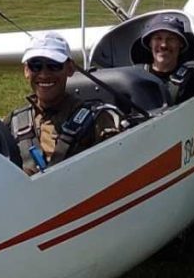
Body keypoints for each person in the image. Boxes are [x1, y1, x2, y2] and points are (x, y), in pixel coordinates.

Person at [7, 33, 123, 175]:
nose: (44, 74)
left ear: (70, 68)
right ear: (26, 71)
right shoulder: (14, 123)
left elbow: (118, 169)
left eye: (54, 66)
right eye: (35, 66)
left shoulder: (96, 119)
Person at [136, 12, 194, 105]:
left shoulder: (192, 80)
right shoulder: (136, 75)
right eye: (158, 38)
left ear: (181, 44)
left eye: (171, 39)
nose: (163, 45)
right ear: (150, 43)